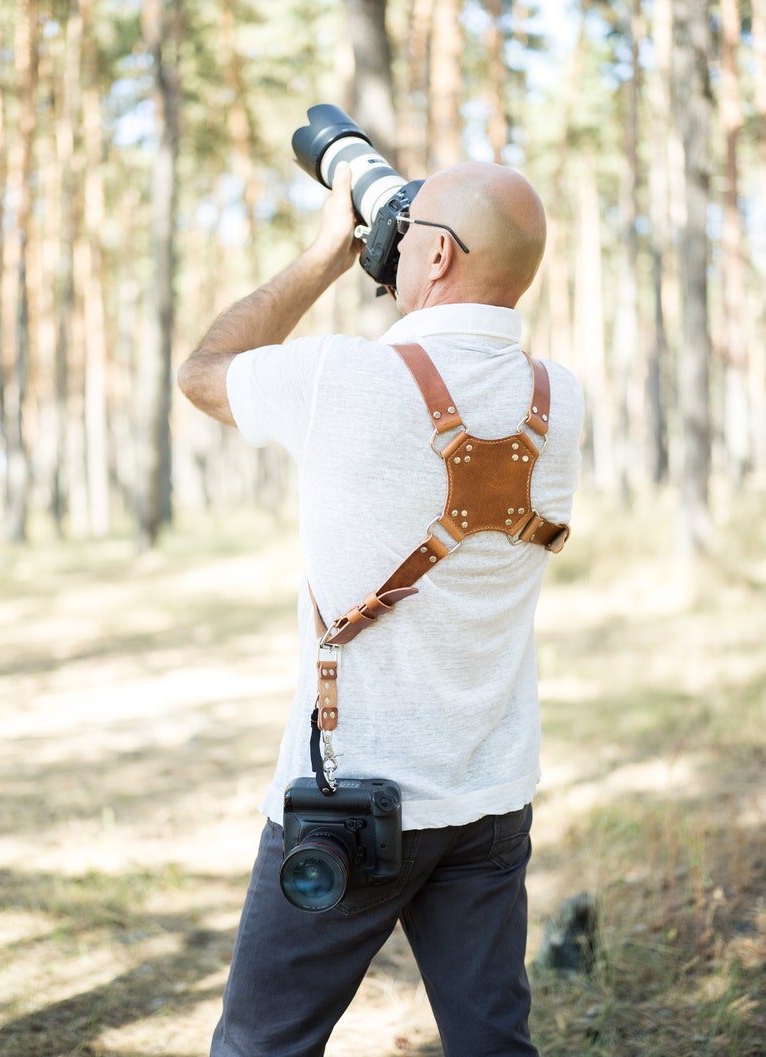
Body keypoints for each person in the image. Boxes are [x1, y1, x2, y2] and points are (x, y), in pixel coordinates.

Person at [178, 158, 584, 1057]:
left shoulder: (341, 379)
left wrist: (327, 256)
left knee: (262, 1044)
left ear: (435, 255)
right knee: (491, 1042)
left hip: (349, 803)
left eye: (408, 229)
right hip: (489, 798)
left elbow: (204, 370)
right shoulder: (564, 402)